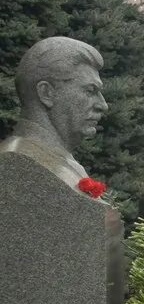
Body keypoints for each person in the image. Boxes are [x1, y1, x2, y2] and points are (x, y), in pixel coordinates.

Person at [0, 36, 107, 189]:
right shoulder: (18, 162)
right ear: (46, 93)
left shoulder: (61, 161)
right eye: (90, 90)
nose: (102, 105)